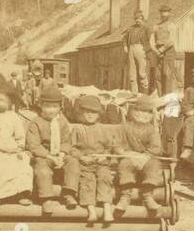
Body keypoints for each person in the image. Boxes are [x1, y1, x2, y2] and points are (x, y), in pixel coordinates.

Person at [0, 89, 33, 230]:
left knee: (23, 163)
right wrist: (5, 148)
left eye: (2, 100)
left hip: (12, 149)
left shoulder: (13, 116)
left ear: (9, 103)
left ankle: (21, 193)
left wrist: (19, 147)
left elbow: (20, 136)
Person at [26, 84, 78, 213]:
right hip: (44, 155)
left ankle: (68, 193)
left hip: (59, 154)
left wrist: (61, 154)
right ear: (41, 106)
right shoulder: (36, 122)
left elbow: (67, 141)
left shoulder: (63, 121)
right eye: (47, 106)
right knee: (42, 169)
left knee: (73, 163)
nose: (51, 110)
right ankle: (46, 198)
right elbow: (33, 145)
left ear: (60, 107)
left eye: (54, 107)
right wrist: (49, 156)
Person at [71, 94, 122, 223]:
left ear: (98, 114)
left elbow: (110, 146)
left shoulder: (103, 129)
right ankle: (91, 210)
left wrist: (104, 155)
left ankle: (107, 207)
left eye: (93, 112)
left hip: (101, 163)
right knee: (87, 182)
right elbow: (72, 148)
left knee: (104, 178)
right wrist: (81, 156)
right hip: (85, 164)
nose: (90, 115)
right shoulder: (77, 129)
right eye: (86, 112)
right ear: (81, 113)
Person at [116, 94, 163, 216]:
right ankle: (125, 195)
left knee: (154, 166)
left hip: (145, 159)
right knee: (124, 166)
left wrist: (145, 156)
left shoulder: (152, 130)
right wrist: (127, 154)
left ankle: (147, 195)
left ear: (151, 115)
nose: (143, 115)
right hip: (129, 157)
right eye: (140, 111)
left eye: (147, 112)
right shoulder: (124, 127)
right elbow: (117, 145)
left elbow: (156, 147)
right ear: (133, 112)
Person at [150, 4, 178, 94]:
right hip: (158, 52)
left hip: (168, 52)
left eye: (166, 12)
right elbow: (151, 41)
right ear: (160, 14)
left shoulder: (172, 25)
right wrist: (156, 51)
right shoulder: (156, 26)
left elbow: (172, 40)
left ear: (169, 14)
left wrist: (162, 49)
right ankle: (160, 97)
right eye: (163, 12)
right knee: (158, 76)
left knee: (167, 75)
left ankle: (167, 98)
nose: (164, 15)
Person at [124, 10, 150, 93]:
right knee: (132, 74)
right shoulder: (131, 28)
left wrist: (146, 50)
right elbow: (124, 38)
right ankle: (134, 93)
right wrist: (125, 46)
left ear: (142, 18)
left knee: (142, 73)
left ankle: (145, 93)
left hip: (140, 48)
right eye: (136, 18)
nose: (137, 20)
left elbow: (151, 40)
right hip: (131, 48)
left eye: (139, 18)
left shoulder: (146, 28)